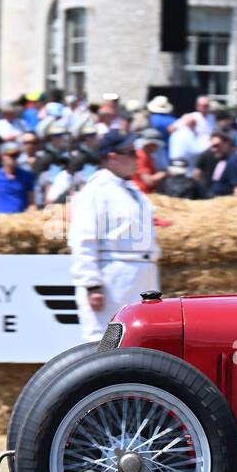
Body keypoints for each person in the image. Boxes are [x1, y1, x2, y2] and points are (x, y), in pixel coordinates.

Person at [67, 130, 161, 342]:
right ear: (113, 157)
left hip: (142, 273)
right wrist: (91, 283)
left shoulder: (132, 190)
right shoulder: (95, 191)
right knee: (106, 339)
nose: (137, 157)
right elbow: (83, 239)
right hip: (113, 276)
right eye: (130, 152)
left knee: (140, 340)